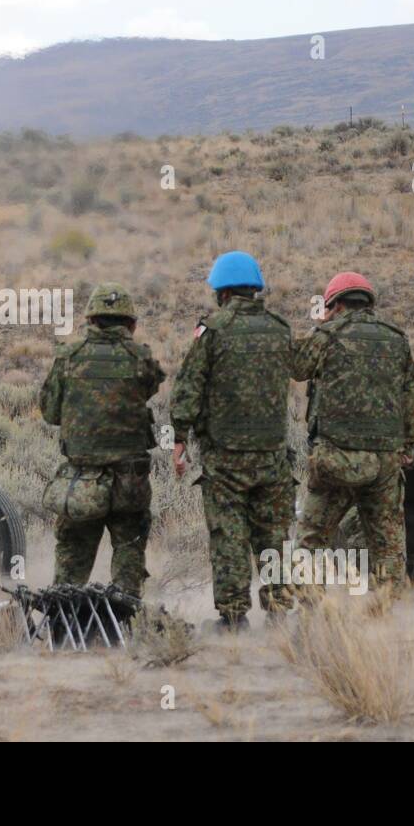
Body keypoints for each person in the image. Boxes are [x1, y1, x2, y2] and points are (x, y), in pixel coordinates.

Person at [171, 251, 295, 631]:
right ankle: (278, 613)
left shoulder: (213, 330)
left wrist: (178, 440)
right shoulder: (279, 327)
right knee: (272, 536)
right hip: (273, 457)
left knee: (229, 535)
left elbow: (189, 388)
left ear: (221, 292)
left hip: (226, 459)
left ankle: (233, 616)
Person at [291, 272, 414, 590]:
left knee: (311, 540)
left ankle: (311, 615)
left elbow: (297, 366)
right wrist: (409, 446)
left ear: (334, 304)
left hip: (336, 456)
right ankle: (388, 616)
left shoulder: (328, 333)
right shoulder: (396, 337)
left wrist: (318, 326)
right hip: (385, 462)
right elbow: (412, 397)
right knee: (387, 545)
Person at [39, 282, 164, 597]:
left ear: (90, 320)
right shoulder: (141, 357)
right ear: (130, 324)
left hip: (82, 479)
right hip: (130, 481)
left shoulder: (69, 357)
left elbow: (51, 413)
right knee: (130, 549)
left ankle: (62, 624)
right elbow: (149, 388)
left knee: (73, 553)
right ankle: (125, 619)